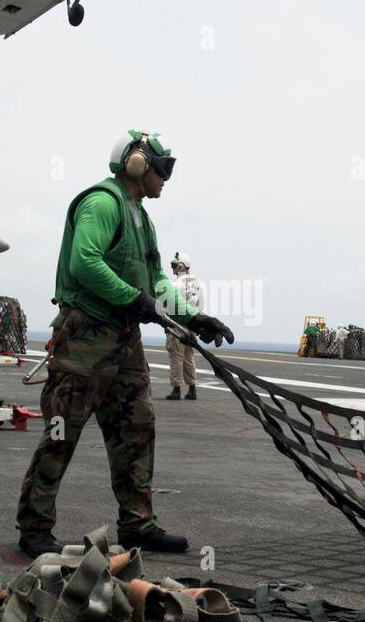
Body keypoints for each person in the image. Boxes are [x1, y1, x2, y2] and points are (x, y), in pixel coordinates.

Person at [15, 130, 235, 558]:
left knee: (136, 429)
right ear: (139, 164)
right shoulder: (102, 203)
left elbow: (156, 281)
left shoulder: (141, 217)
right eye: (164, 168)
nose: (166, 178)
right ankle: (34, 528)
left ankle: (137, 524)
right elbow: (85, 263)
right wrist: (136, 300)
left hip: (123, 341)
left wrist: (191, 317)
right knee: (61, 434)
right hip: (85, 338)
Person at [164, 252, 202, 400]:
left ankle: (176, 389)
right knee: (188, 357)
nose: (173, 268)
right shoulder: (197, 284)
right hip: (192, 324)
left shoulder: (175, 284)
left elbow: (169, 305)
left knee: (176, 356)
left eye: (174, 265)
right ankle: (192, 389)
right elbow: (200, 305)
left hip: (177, 324)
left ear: (180, 266)